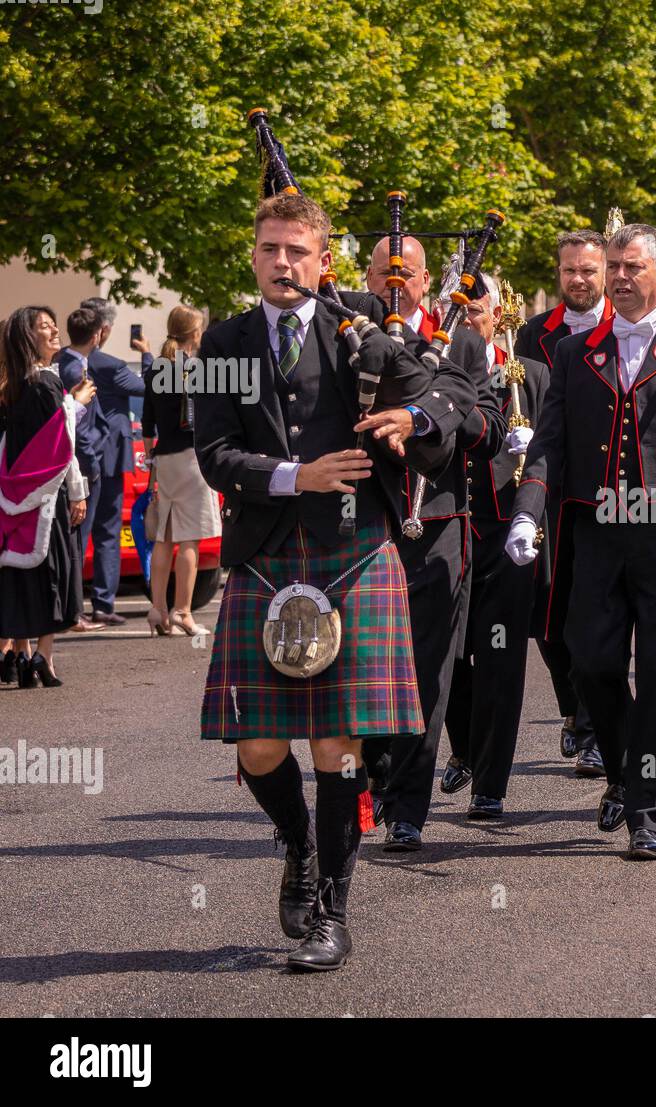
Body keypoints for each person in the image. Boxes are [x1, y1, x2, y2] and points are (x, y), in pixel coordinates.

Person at [193, 191, 476, 970]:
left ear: (323, 261)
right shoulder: (225, 340)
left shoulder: (362, 328)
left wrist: (410, 422)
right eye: (269, 249)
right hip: (263, 557)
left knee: (337, 746)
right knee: (255, 745)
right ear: (254, 255)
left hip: (353, 555)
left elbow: (448, 396)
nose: (282, 263)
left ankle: (334, 911)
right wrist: (297, 474)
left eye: (296, 252)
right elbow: (214, 451)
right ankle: (297, 845)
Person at [506, 222, 656, 860]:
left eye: (632, 266)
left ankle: (650, 811)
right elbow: (550, 445)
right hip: (599, 529)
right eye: (613, 265)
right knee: (592, 663)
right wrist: (528, 511)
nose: (618, 277)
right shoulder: (575, 352)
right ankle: (622, 769)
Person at [360, 236, 502, 849]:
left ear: (425, 282)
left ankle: (409, 807)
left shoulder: (463, 340)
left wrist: (439, 415)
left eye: (407, 275)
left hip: (440, 523)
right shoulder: (347, 335)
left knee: (427, 670)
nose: (396, 285)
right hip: (363, 518)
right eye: (383, 274)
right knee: (361, 662)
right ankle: (367, 785)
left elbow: (491, 428)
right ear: (366, 277)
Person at [443, 274, 549, 819]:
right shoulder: (435, 365)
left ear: (497, 312)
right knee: (450, 659)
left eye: (476, 308)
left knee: (501, 660)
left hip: (507, 534)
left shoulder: (528, 373)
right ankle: (463, 748)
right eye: (457, 309)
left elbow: (551, 453)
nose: (466, 319)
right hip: (448, 533)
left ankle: (492, 782)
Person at [515, 229, 613, 776]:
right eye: (568, 270)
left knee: (597, 615)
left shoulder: (623, 325)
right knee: (550, 617)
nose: (577, 280)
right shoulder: (534, 333)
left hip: (608, 490)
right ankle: (575, 711)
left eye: (588, 271)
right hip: (551, 488)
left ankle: (598, 727)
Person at [0, 306, 88, 688]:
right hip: (47, 499)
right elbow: (60, 446)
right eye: (44, 328)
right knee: (52, 574)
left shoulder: (12, 385)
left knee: (19, 574)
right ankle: (43, 656)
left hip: (12, 494)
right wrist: (78, 492)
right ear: (27, 337)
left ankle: (19, 651)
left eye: (54, 326)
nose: (55, 332)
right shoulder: (47, 383)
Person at [140, 305, 222, 637]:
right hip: (193, 458)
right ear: (195, 333)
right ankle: (183, 612)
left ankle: (157, 609)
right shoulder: (199, 369)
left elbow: (147, 423)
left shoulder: (157, 369)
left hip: (164, 459)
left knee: (164, 538)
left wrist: (150, 464)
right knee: (190, 539)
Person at [79, 297, 148, 626]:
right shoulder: (109, 365)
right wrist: (146, 354)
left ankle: (70, 607)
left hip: (80, 456)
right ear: (103, 329)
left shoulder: (69, 360)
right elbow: (150, 387)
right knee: (106, 531)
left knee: (78, 531)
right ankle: (103, 605)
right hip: (109, 456)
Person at [55, 306, 107, 632]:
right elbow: (80, 431)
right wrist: (93, 466)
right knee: (78, 541)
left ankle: (71, 610)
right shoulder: (75, 370)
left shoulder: (68, 362)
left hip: (76, 463)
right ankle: (74, 613)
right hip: (82, 466)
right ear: (97, 334)